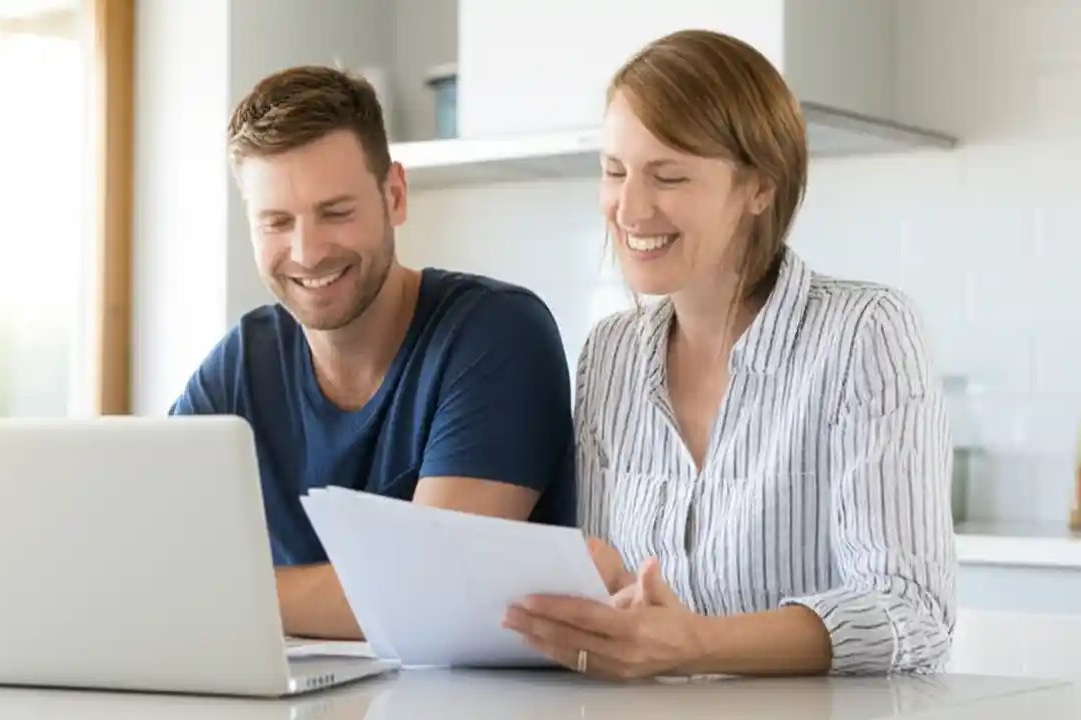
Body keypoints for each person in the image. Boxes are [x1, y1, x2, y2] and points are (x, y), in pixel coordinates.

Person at [503, 30, 956, 678]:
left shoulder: (863, 334)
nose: (629, 208)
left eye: (668, 175)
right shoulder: (610, 355)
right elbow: (616, 590)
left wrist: (694, 643)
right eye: (614, 172)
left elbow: (911, 614)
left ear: (759, 188)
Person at [171, 66, 576, 640]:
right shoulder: (244, 361)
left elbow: (432, 590)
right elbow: (151, 548)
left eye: (336, 212)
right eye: (277, 222)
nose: (307, 252)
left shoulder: (497, 333)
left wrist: (213, 592)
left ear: (395, 195)